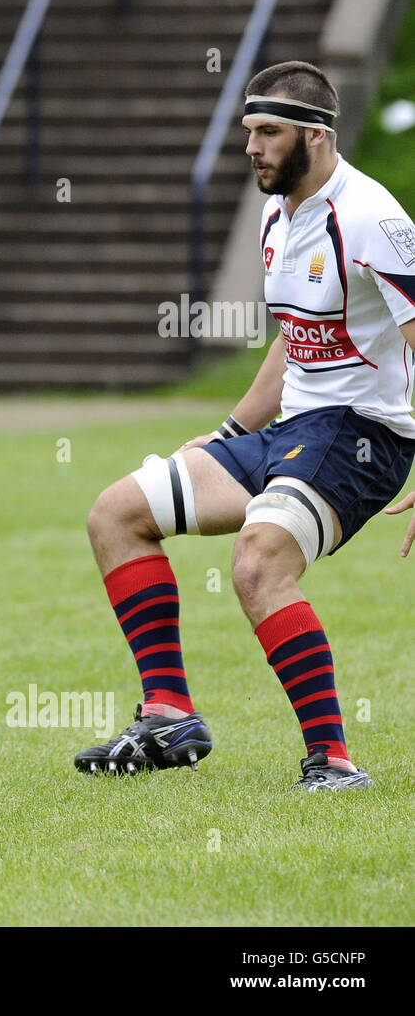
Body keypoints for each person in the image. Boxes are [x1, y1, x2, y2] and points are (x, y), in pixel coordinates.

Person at [76, 61, 415, 791]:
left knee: (259, 564)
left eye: (268, 132)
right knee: (116, 513)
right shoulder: (278, 213)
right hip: (296, 430)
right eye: (248, 133)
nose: (252, 148)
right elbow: (292, 341)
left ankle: (334, 760)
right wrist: (228, 433)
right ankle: (169, 714)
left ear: (317, 138)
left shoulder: (375, 220)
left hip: (365, 438)